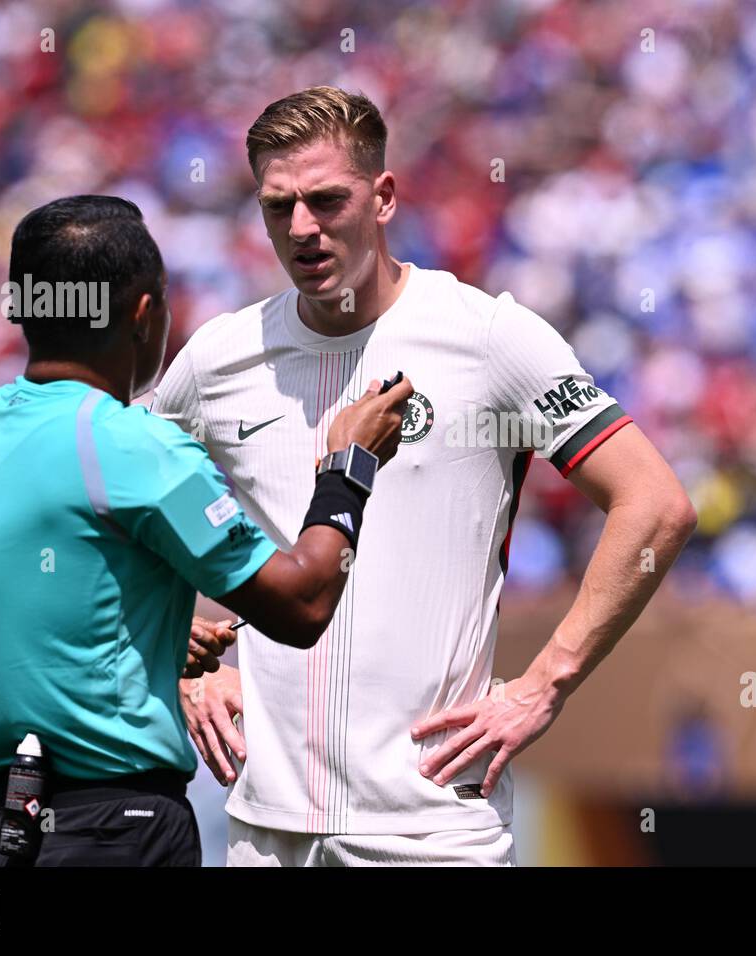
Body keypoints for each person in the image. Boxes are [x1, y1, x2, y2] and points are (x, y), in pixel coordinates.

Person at [157, 86, 696, 866]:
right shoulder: (220, 357)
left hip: (433, 831)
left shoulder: (487, 337)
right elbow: (114, 509)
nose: (303, 228)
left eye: (326, 200)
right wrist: (177, 661)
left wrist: (544, 683)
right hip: (266, 832)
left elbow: (655, 504)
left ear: (383, 197)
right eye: (279, 207)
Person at [0, 194, 411, 866]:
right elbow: (302, 602)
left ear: (21, 310)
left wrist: (122, 642)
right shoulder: (140, 449)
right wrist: (349, 466)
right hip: (120, 830)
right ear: (144, 314)